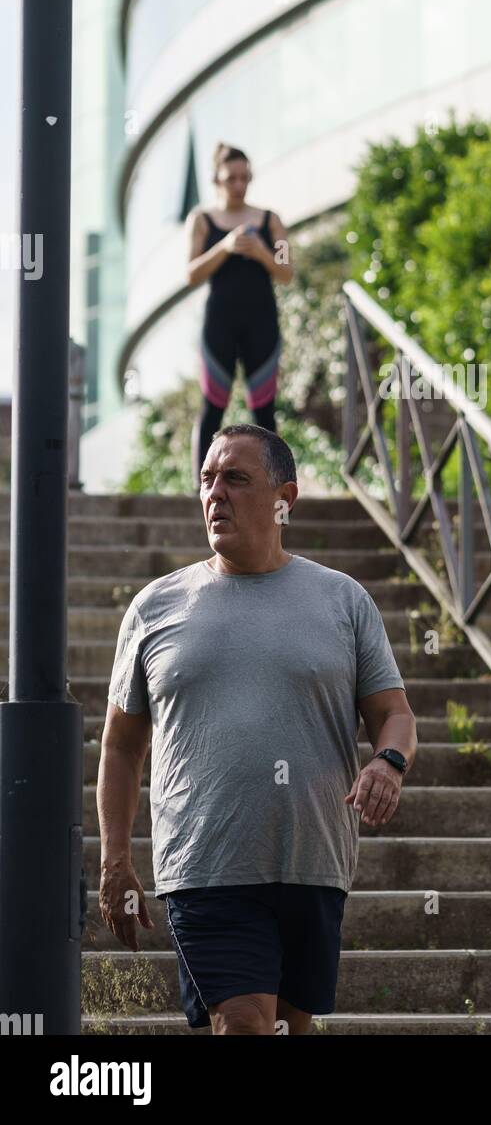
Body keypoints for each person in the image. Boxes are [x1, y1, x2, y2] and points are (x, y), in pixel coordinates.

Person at [97, 424, 416, 1036]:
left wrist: (389, 762)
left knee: (290, 1029)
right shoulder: (156, 607)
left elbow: (394, 715)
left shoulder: (342, 601)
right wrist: (116, 859)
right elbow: (121, 744)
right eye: (207, 480)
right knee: (243, 1023)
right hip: (205, 864)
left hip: (314, 861)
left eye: (236, 479)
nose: (215, 493)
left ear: (283, 498)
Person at [186, 142, 294, 483]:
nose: (239, 184)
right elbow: (191, 274)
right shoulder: (201, 220)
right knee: (212, 406)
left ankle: (270, 487)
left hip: (262, 321)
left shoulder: (270, 219)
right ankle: (201, 486)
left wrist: (262, 252)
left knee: (264, 409)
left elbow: (287, 271)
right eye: (231, 177)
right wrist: (225, 246)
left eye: (245, 177)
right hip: (219, 322)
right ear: (216, 179)